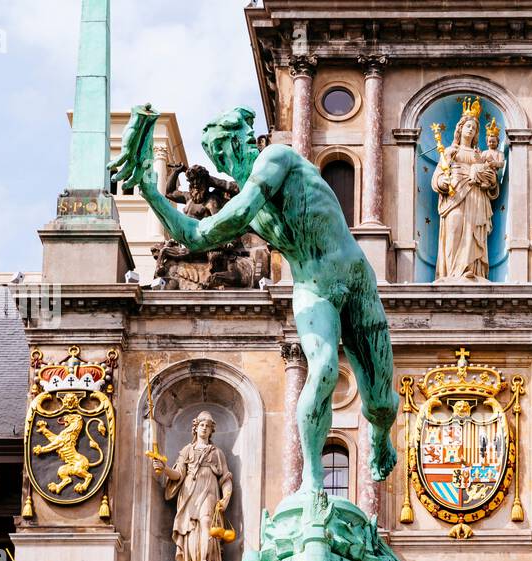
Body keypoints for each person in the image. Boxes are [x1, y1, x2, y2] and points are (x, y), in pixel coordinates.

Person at [111, 105, 399, 495]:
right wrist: (149, 193)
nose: (225, 167)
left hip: (353, 275)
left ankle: (379, 434)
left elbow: (225, 219)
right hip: (312, 288)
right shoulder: (251, 204)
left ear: (239, 144)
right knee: (325, 368)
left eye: (224, 155)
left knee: (381, 401)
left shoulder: (275, 160)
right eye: (219, 160)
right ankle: (313, 482)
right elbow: (195, 237)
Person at [151, 410, 233, 561]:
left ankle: (205, 559)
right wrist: (164, 468)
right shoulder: (187, 450)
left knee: (207, 522)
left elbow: (226, 478)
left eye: (207, 426)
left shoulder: (217, 453)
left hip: (209, 490)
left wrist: (226, 497)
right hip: (189, 491)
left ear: (211, 430)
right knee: (190, 528)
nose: (204, 428)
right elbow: (178, 474)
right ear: (195, 428)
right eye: (201, 425)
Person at [431, 100, 501, 282]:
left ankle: (473, 272)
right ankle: (452, 273)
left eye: (474, 128)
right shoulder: (450, 151)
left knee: (473, 231)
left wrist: (489, 180)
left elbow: (492, 180)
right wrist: (443, 182)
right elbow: (437, 176)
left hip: (477, 198)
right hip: (455, 198)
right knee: (454, 230)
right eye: (468, 126)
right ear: (460, 128)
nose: (471, 130)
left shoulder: (480, 155)